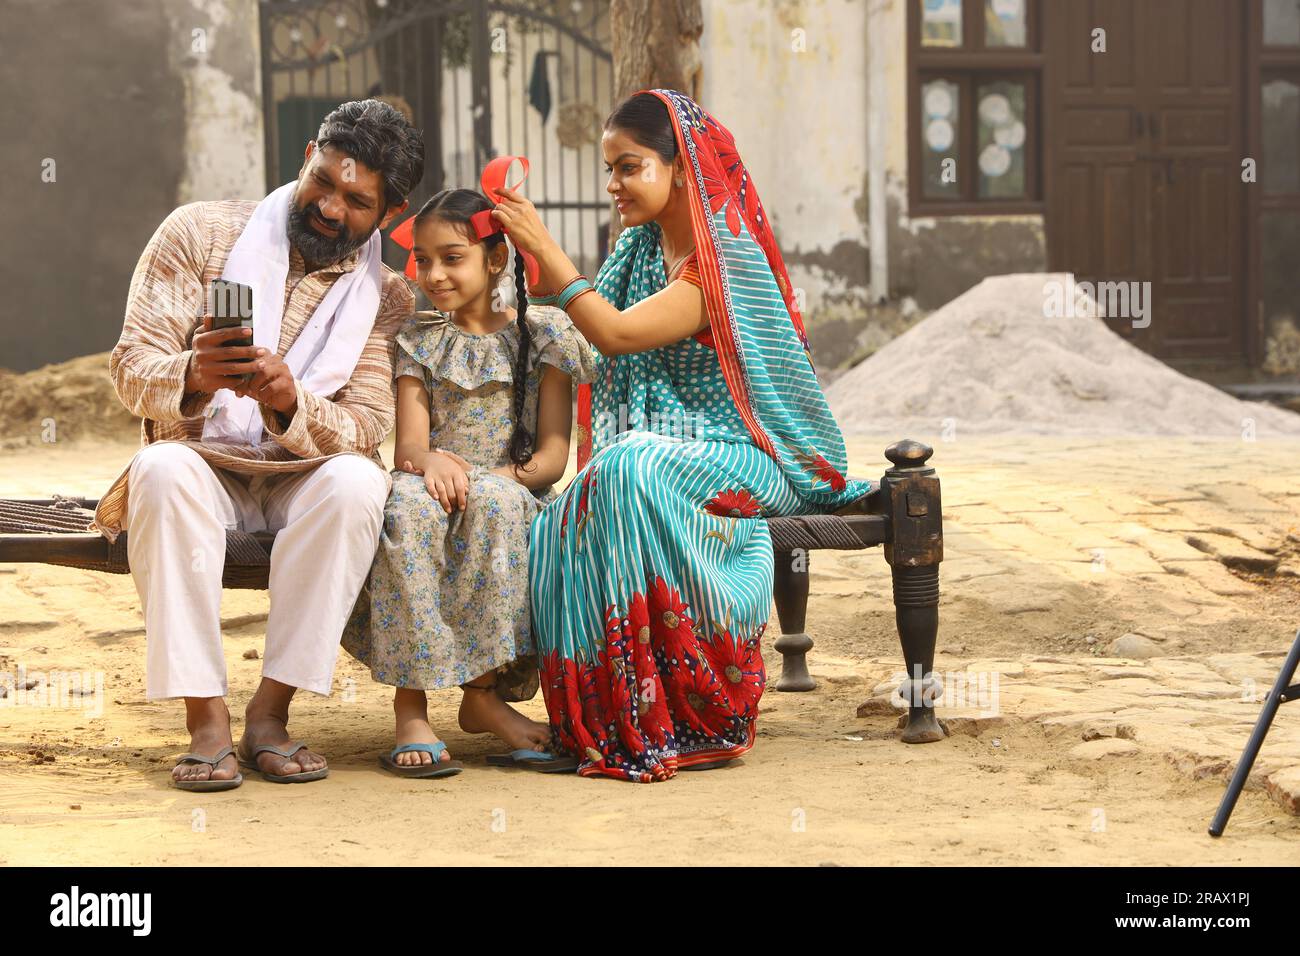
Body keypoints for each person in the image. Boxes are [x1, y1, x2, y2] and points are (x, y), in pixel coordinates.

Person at [489, 88, 871, 782]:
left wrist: (547, 245)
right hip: (665, 452)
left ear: (683, 167)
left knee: (625, 469)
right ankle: (604, 717)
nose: (613, 185)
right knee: (561, 516)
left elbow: (616, 332)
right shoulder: (638, 248)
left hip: (745, 453)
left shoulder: (723, 261)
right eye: (610, 169)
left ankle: (695, 709)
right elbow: (582, 326)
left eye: (629, 167)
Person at [93, 100, 425, 790]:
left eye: (357, 201)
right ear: (308, 155)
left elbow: (364, 426)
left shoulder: (388, 297)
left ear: (390, 214)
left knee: (361, 483)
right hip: (201, 466)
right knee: (158, 468)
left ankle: (269, 716)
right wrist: (192, 374)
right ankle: (206, 722)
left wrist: (286, 401)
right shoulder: (200, 233)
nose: (332, 208)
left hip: (299, 477)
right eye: (324, 182)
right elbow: (129, 368)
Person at [341, 188, 594, 777]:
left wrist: (489, 478)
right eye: (423, 259)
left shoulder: (547, 334)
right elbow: (408, 448)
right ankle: (411, 708)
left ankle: (482, 697)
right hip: (427, 482)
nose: (433, 273)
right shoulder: (418, 341)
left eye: (452, 257)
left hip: (509, 485)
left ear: (495, 259)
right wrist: (433, 465)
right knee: (403, 512)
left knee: (499, 505)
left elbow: (554, 455)